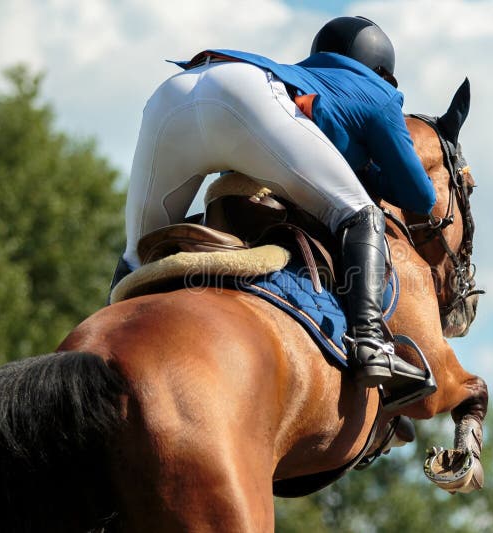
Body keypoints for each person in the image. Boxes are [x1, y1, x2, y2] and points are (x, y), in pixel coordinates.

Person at [110, 16, 436, 393]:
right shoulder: (379, 93)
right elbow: (420, 196)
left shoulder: (302, 76)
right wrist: (371, 169)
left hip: (175, 93)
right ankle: (371, 343)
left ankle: (103, 348)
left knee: (137, 253)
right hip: (243, 96)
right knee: (361, 214)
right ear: (381, 71)